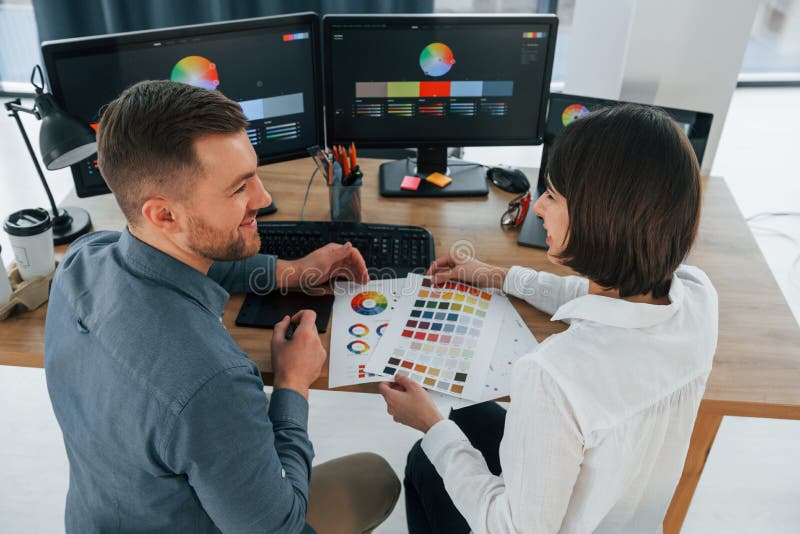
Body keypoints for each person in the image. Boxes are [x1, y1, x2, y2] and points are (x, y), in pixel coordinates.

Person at [44, 80, 399, 533]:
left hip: (100, 517)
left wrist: (289, 270)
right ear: (164, 214)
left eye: (254, 174)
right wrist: (292, 383)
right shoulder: (211, 384)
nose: (264, 198)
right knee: (377, 477)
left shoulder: (82, 258)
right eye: (238, 189)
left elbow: (190, 257)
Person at [379, 104, 719, 533]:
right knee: (470, 418)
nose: (537, 206)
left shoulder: (554, 376)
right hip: (623, 515)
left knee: (427, 457)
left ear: (601, 220)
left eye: (553, 195)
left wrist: (429, 424)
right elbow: (606, 293)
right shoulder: (698, 295)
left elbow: (512, 529)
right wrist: (502, 276)